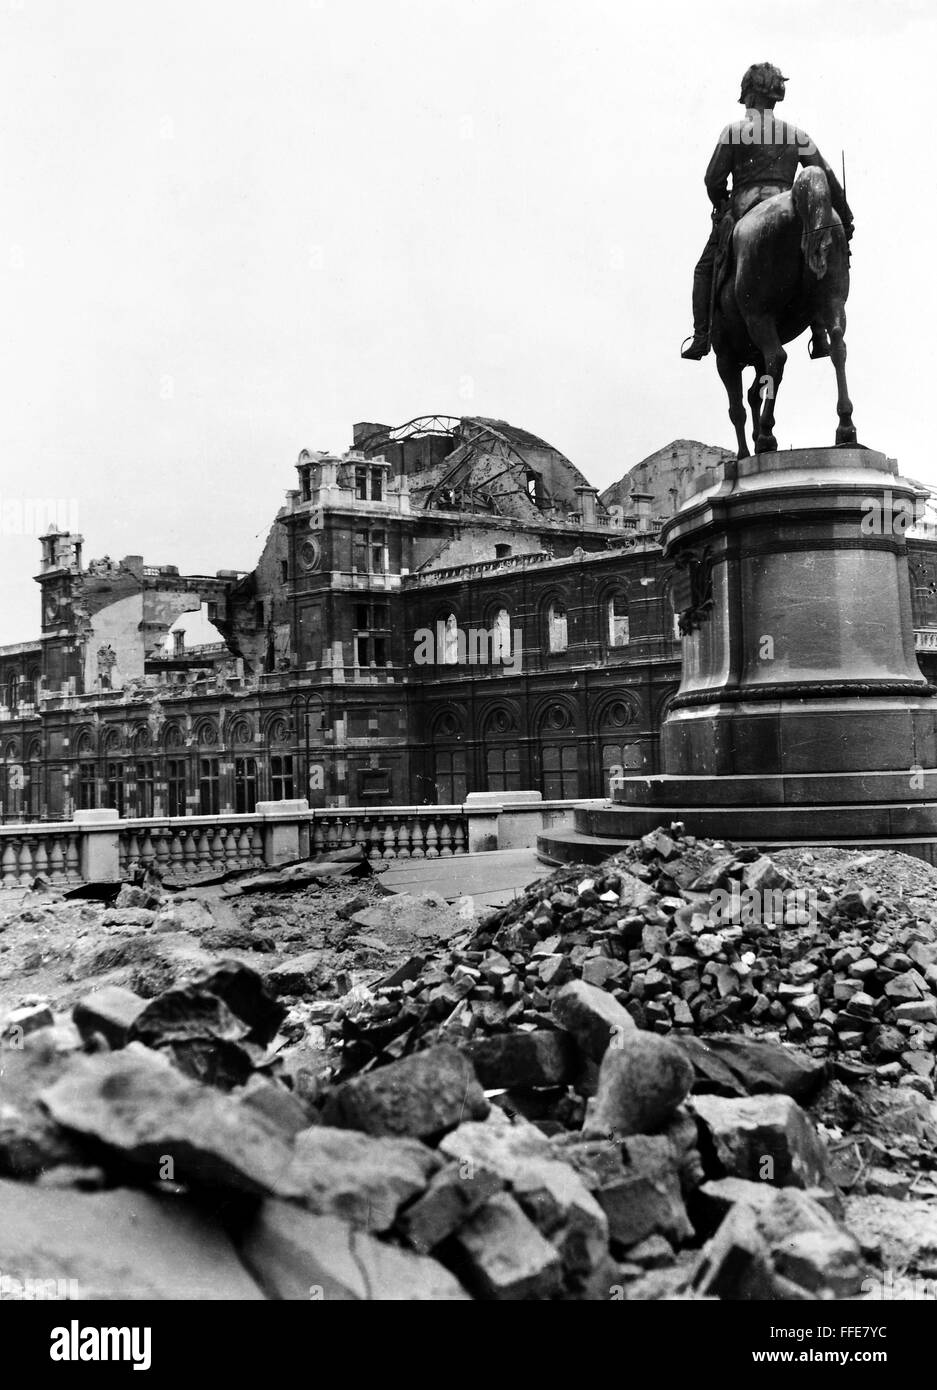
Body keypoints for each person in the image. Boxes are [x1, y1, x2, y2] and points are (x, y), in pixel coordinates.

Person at [681, 62, 855, 360]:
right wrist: (846, 218)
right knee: (810, 244)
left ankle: (701, 336)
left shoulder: (734, 132)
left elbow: (713, 179)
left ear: (749, 96)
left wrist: (720, 200)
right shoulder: (797, 134)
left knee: (704, 270)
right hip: (790, 201)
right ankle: (820, 331)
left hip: (744, 206)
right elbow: (825, 175)